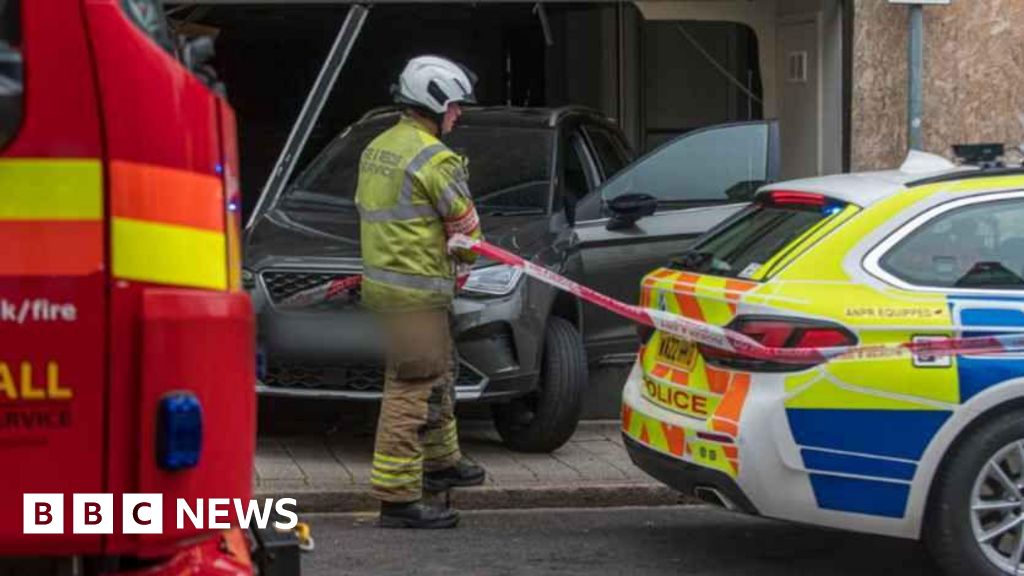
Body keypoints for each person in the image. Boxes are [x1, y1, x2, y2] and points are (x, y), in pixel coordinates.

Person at [355, 55, 486, 529]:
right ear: (432, 102)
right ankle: (398, 500)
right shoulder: (435, 158)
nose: (458, 115)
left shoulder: (378, 147)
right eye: (454, 106)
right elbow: (468, 231)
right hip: (416, 297)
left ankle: (442, 460)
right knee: (410, 391)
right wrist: (463, 253)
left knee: (440, 374)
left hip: (391, 289)